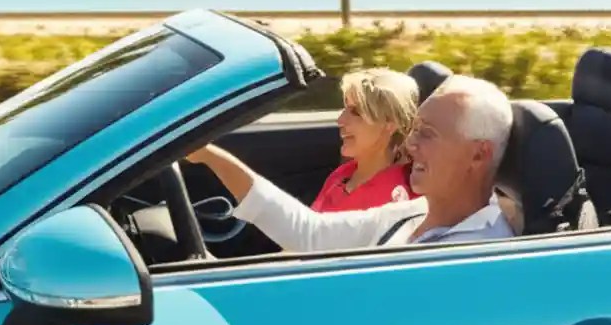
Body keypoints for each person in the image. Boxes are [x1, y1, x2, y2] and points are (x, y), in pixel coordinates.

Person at [185, 74, 516, 251]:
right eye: (414, 129)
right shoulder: (412, 212)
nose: (411, 144)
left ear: (478, 154)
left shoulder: (480, 253)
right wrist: (209, 156)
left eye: (427, 134)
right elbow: (310, 233)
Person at [310, 67, 420, 212]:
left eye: (356, 112)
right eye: (345, 108)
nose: (340, 120)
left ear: (390, 124)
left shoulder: (394, 201)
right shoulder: (344, 173)